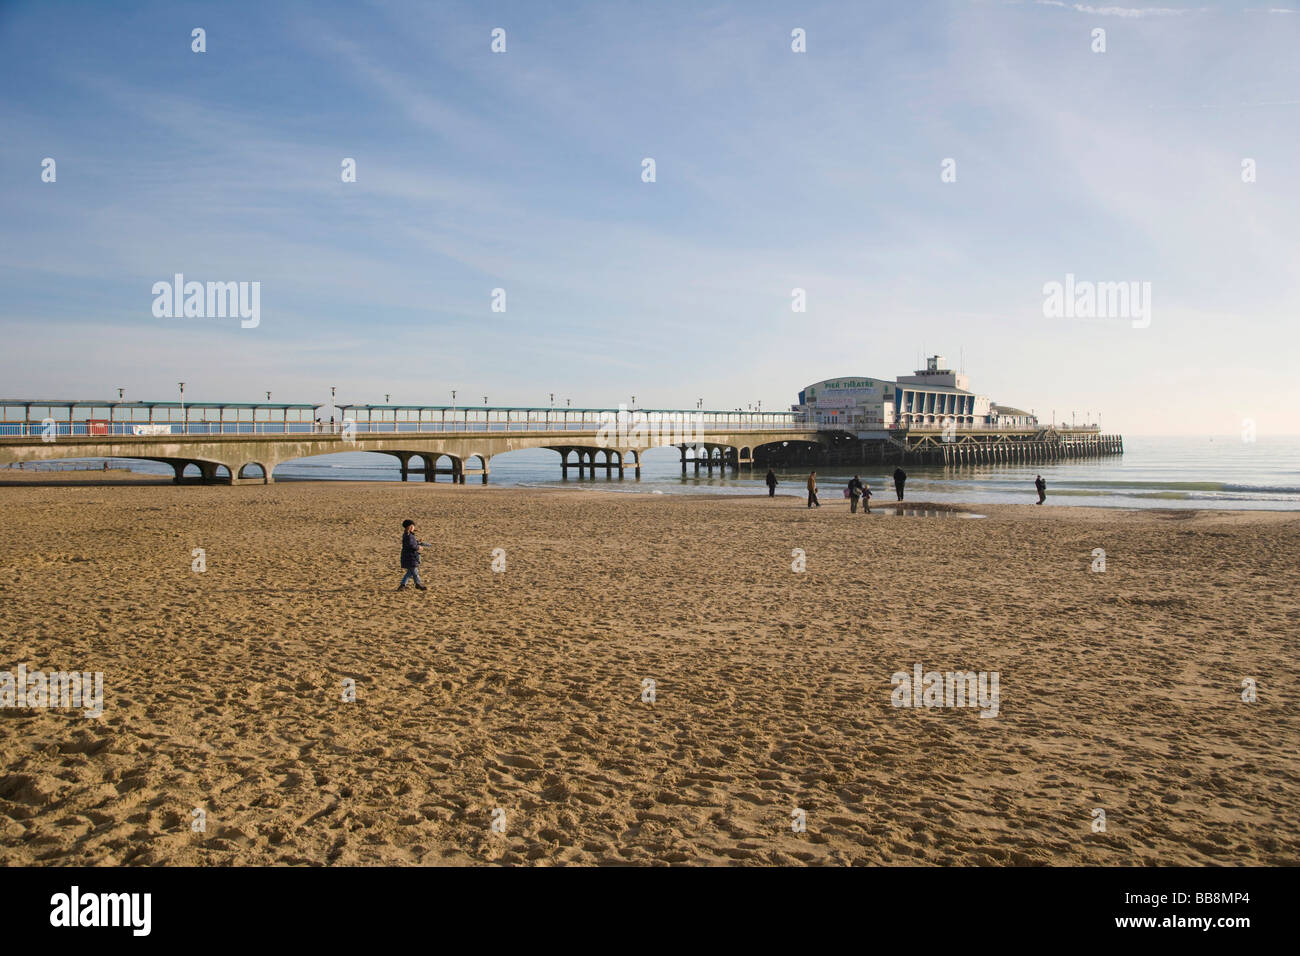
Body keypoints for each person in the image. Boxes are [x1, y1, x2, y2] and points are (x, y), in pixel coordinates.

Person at [398, 519, 428, 590]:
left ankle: (403, 585)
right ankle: (418, 584)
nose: (414, 527)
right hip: (410, 557)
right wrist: (418, 547)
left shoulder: (408, 535)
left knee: (410, 572)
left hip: (409, 557)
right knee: (414, 572)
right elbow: (411, 546)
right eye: (413, 526)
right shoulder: (408, 536)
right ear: (410, 527)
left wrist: (417, 541)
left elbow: (411, 543)